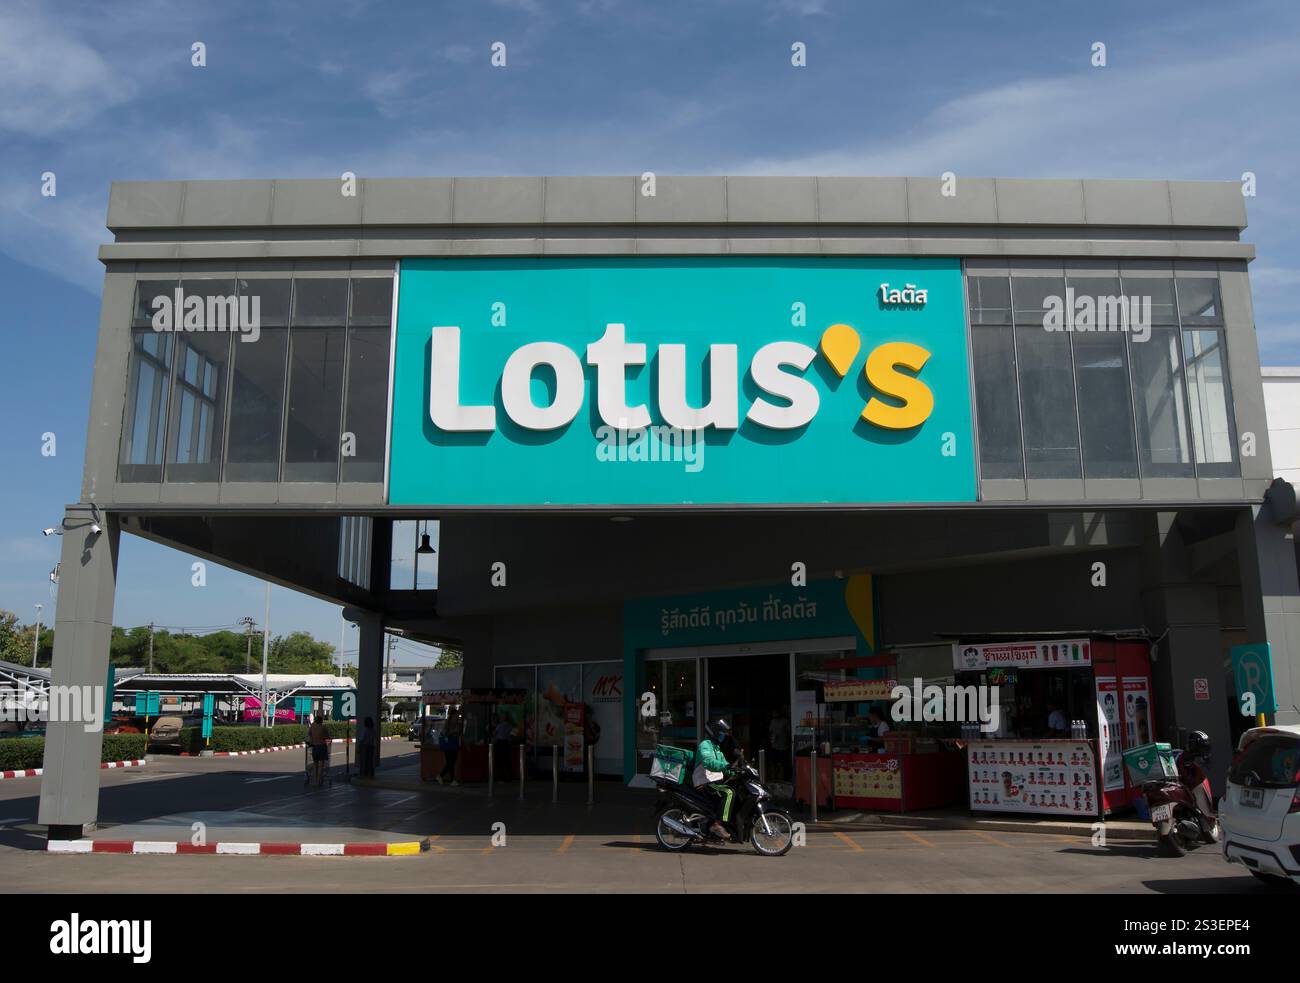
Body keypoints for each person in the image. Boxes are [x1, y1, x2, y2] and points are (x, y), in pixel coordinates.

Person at [694, 718, 737, 839]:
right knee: (729, 793)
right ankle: (717, 824)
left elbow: (725, 766)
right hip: (705, 782)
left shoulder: (717, 749)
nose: (724, 735)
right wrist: (726, 766)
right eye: (722, 732)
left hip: (714, 782)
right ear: (715, 732)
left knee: (736, 792)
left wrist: (736, 772)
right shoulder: (705, 745)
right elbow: (708, 762)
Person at [438, 712, 462, 786]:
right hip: (448, 745)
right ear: (452, 716)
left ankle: (440, 776)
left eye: (458, 715)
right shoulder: (448, 723)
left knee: (451, 762)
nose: (457, 717)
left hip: (454, 744)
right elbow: (444, 733)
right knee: (450, 763)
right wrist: (453, 731)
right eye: (456, 715)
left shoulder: (458, 723)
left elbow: (459, 734)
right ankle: (452, 780)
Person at [308, 712, 330, 786]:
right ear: (321, 721)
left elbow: (309, 734)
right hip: (322, 746)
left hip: (314, 747)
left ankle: (315, 780)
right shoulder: (323, 727)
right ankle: (319, 780)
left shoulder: (312, 726)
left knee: (315, 764)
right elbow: (327, 736)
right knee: (321, 765)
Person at [492, 712, 515, 781]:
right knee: (507, 761)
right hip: (506, 744)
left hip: (499, 743)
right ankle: (510, 777)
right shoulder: (510, 726)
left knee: (499, 761)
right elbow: (513, 735)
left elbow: (494, 734)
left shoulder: (499, 726)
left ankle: (501, 777)